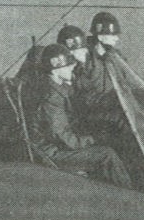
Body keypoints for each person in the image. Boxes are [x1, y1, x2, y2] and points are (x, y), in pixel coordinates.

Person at [29, 43, 132, 189]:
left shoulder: (60, 87)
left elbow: (83, 105)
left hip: (62, 145)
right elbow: (63, 138)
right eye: (68, 65)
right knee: (106, 155)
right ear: (55, 70)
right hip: (53, 154)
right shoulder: (51, 97)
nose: (73, 67)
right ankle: (130, 196)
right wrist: (94, 139)